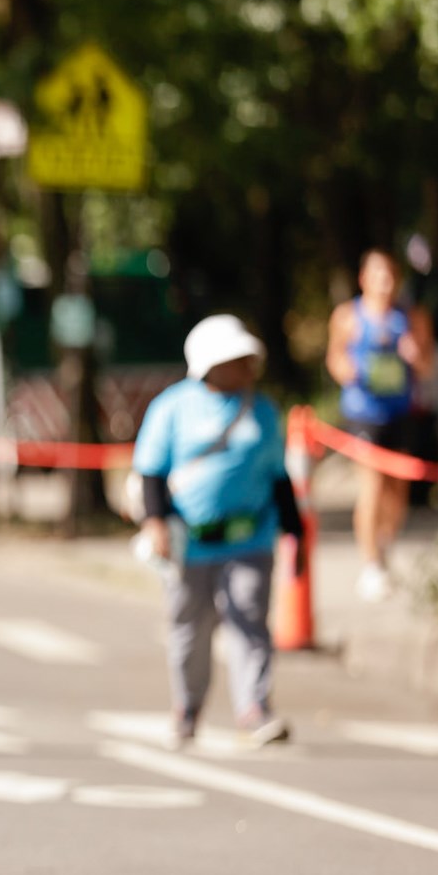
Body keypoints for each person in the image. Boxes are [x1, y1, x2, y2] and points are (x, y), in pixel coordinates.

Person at [135, 315, 304, 749]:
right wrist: (156, 525)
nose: (248, 366)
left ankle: (255, 708)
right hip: (190, 543)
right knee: (191, 627)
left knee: (249, 619)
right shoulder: (172, 407)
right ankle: (188, 707)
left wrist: (293, 531)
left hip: (250, 539)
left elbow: (278, 476)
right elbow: (151, 471)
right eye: (237, 358)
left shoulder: (262, 410)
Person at [326, 249, 433, 600]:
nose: (384, 283)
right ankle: (371, 563)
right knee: (371, 486)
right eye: (377, 276)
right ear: (364, 279)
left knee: (397, 491)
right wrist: (349, 370)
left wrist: (415, 357)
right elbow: (334, 358)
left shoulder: (412, 317)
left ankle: (383, 549)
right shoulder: (348, 316)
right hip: (362, 413)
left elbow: (428, 367)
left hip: (400, 413)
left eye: (390, 276)